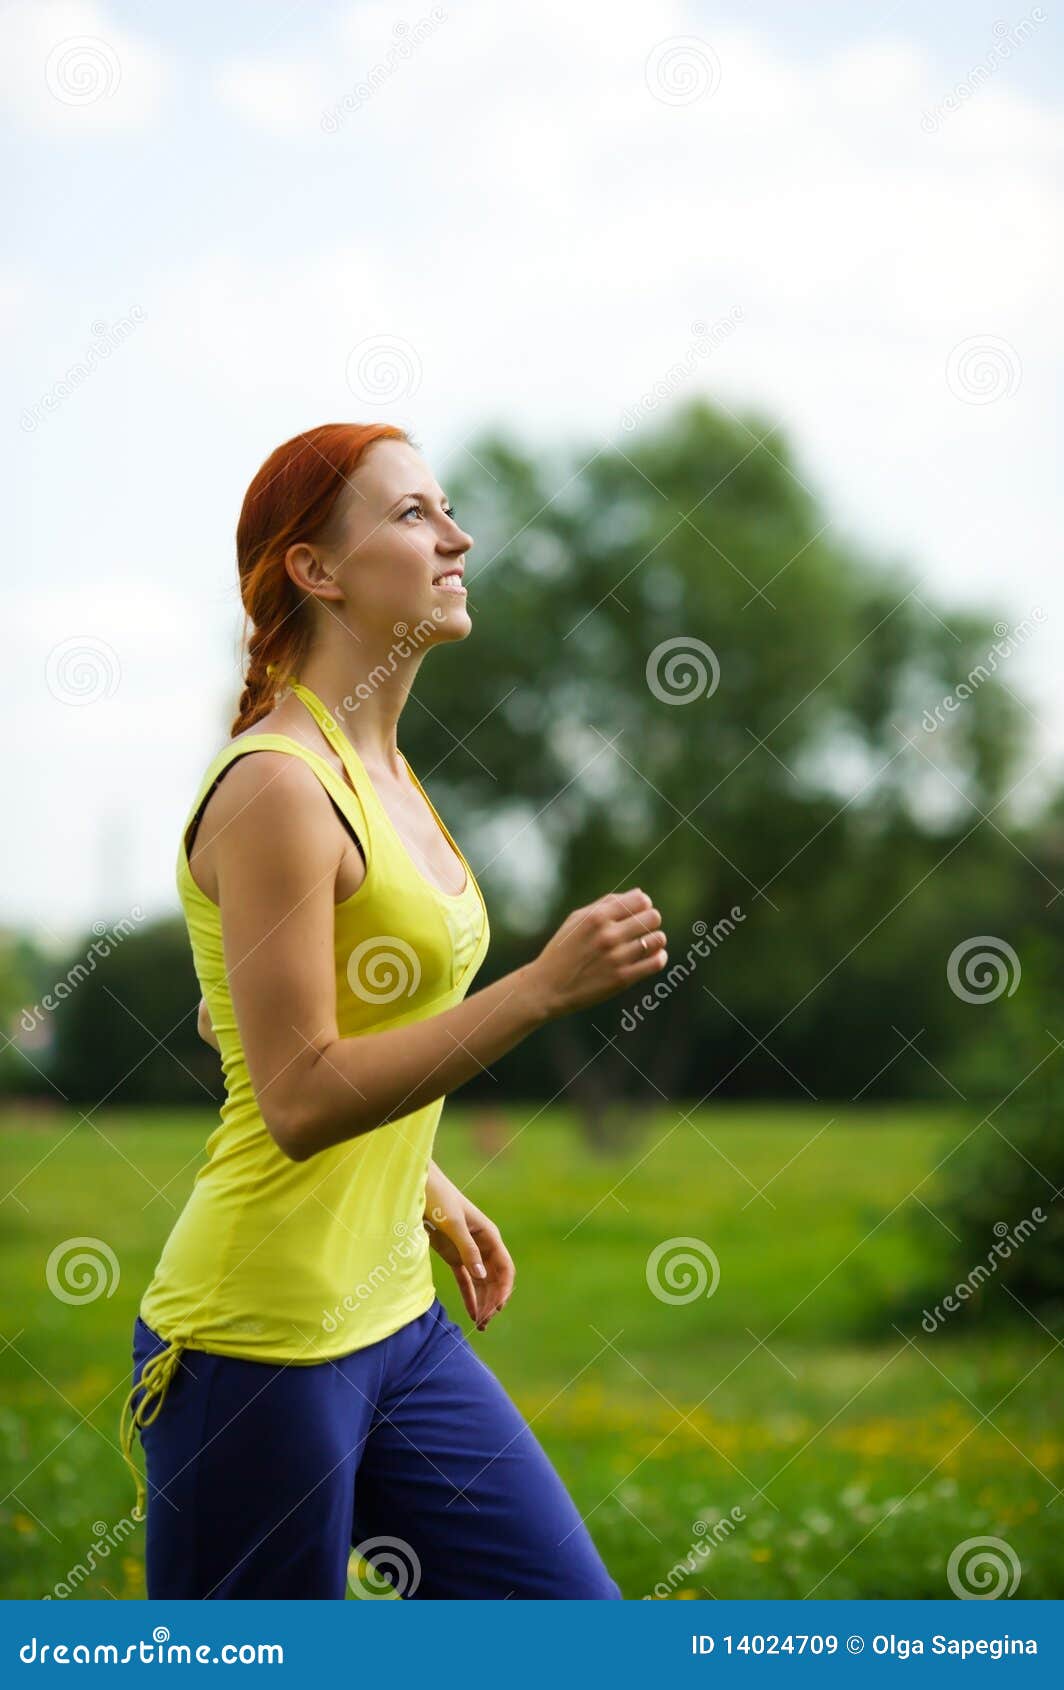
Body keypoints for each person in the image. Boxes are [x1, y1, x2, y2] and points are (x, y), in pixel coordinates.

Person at [117, 422, 669, 1599]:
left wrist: (419, 1178)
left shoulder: (384, 768)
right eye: (413, 514)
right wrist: (540, 990)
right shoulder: (279, 784)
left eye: (447, 508)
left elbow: (237, 1024)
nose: (457, 536)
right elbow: (299, 1092)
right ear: (317, 571)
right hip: (256, 1345)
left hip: (397, 1328)